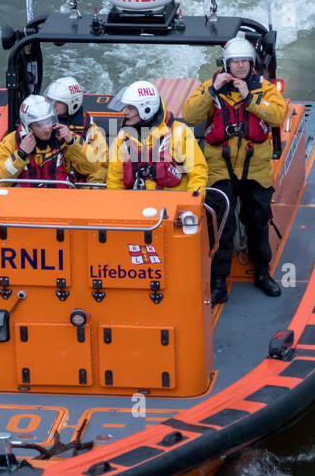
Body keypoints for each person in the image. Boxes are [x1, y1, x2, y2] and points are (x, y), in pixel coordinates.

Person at [183, 35, 287, 303]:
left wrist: (249, 97)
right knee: (221, 227)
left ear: (252, 64)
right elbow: (191, 115)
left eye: (244, 61)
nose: (240, 66)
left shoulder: (264, 89)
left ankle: (262, 273)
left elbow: (277, 115)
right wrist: (211, 91)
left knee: (258, 224)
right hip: (221, 169)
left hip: (256, 170)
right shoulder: (210, 87)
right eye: (235, 61)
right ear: (225, 64)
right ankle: (219, 281)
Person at [107, 81, 207, 194]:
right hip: (135, 206)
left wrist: (191, 203)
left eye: (130, 108)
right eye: (125, 107)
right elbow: (115, 182)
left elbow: (198, 172)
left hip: (172, 204)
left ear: (147, 109)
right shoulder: (123, 138)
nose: (125, 112)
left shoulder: (180, 133)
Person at [0, 95, 100, 185]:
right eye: (40, 125)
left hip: (63, 200)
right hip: (25, 202)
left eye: (48, 121)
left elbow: (93, 168)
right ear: (29, 126)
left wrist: (72, 143)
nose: (47, 129)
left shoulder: (65, 137)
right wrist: (21, 155)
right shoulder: (10, 143)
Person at [44, 76, 108, 183]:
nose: (50, 104)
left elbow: (100, 168)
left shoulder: (90, 131)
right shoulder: (37, 123)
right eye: (49, 99)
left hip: (73, 188)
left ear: (72, 103)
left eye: (56, 102)